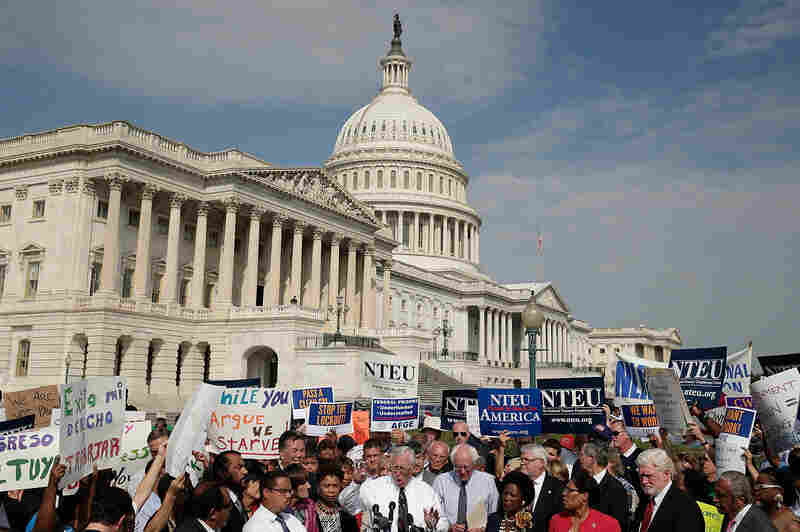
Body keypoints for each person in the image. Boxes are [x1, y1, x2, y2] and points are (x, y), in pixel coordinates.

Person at [360, 446, 447, 532]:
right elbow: (355, 512)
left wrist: (434, 525)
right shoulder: (372, 487)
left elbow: (443, 522)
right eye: (395, 468)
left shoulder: (426, 491)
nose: (398, 473)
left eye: (402, 469)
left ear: (412, 468)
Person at [433, 444, 499, 532]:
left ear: (474, 463)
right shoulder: (441, 481)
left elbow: (494, 513)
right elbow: (436, 515)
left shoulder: (488, 481)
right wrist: (449, 528)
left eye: (466, 467)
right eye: (458, 467)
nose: (462, 471)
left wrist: (484, 529)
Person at [636, 448, 703, 532]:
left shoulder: (685, 507)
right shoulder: (645, 501)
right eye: (641, 476)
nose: (644, 481)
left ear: (666, 474)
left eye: (649, 476)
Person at [580, 443, 628, 531]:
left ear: (592, 458)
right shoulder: (582, 482)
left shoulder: (616, 488)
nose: (580, 459)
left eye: (582, 455)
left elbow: (619, 522)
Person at [549, 474, 621, 532]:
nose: (564, 493)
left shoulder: (608, 525)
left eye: (570, 490)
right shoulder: (556, 520)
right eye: (565, 489)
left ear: (585, 496)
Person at [520, 444, 564, 532]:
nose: (522, 462)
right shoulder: (515, 483)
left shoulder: (557, 487)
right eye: (521, 459)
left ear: (541, 463)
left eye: (526, 460)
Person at [315, 463, 359, 532]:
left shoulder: (346, 517)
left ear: (340, 486)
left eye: (335, 486)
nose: (331, 490)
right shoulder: (310, 514)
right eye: (326, 486)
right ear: (318, 487)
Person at [213, 451, 249, 532]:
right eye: (239, 467)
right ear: (223, 472)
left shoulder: (237, 497)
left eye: (244, 467)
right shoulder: (216, 500)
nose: (245, 471)